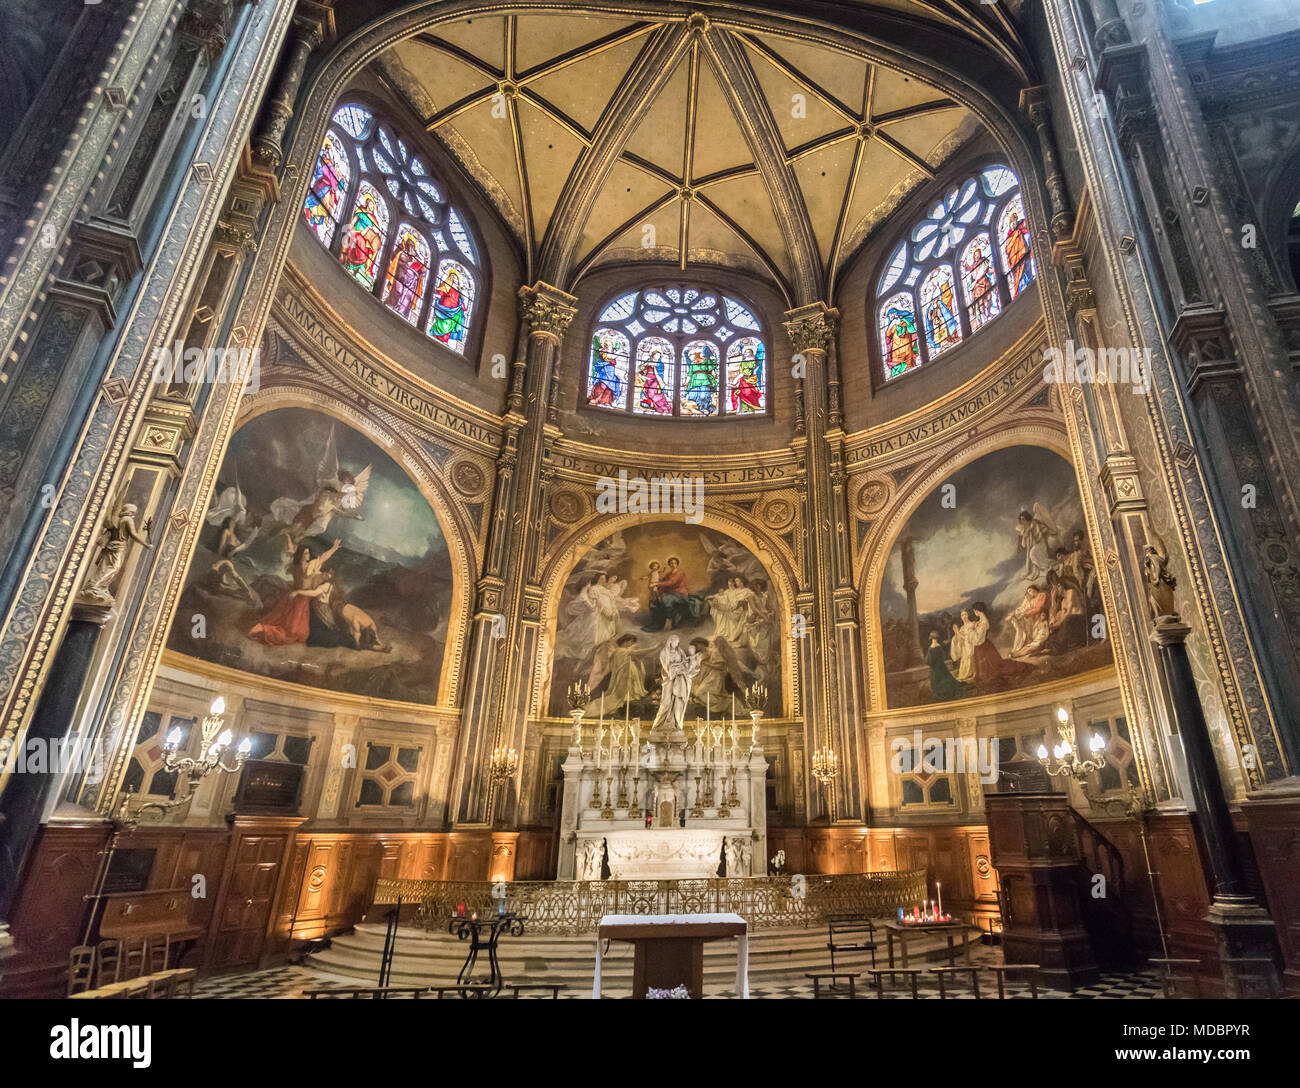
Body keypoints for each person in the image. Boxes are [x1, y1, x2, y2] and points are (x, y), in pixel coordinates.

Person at [248, 539, 341, 646]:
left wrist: (289, 541)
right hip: (300, 598)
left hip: (292, 594)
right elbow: (324, 556)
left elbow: (292, 552)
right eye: (306, 553)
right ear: (302, 555)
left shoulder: (294, 564)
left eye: (308, 553)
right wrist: (333, 548)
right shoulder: (310, 567)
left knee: (285, 622)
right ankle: (262, 629)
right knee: (292, 633)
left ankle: (262, 629)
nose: (309, 555)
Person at [969, 603, 1032, 689]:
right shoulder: (980, 621)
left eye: (974, 611)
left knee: (992, 671)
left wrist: (972, 629)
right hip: (982, 646)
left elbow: (978, 639)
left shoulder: (984, 623)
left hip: (982, 647)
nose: (974, 612)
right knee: (986, 671)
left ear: (977, 611)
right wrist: (975, 627)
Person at [428, 266, 468, 346]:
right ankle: (436, 336)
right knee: (442, 323)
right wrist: (438, 296)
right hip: (444, 308)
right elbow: (441, 292)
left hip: (455, 311)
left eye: (457, 279)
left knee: (450, 325)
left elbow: (461, 300)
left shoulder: (458, 290)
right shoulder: (447, 285)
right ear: (451, 278)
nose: (456, 280)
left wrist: (464, 309)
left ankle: (444, 340)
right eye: (454, 278)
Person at [925, 630, 965, 701]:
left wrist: (932, 663)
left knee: (936, 679)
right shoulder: (939, 646)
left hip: (934, 668)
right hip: (941, 666)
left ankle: (939, 690)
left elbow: (928, 661)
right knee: (945, 677)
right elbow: (942, 657)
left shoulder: (930, 648)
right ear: (937, 638)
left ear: (932, 638)